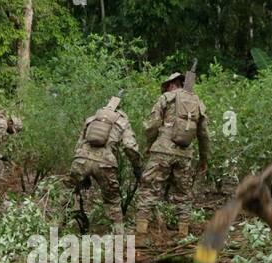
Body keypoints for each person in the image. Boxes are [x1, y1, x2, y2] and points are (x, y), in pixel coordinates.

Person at [135, 72, 209, 236]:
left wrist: (149, 145)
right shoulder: (198, 102)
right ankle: (183, 234)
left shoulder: (166, 98)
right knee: (183, 194)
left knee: (149, 190)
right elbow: (204, 134)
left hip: (162, 150)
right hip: (185, 155)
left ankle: (141, 235)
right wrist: (204, 159)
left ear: (170, 84)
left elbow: (152, 125)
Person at [68, 96, 141, 231]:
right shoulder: (122, 122)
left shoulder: (92, 119)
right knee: (113, 201)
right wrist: (137, 167)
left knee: (68, 192)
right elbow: (130, 147)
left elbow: (79, 145)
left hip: (81, 159)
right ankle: (118, 236)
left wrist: (83, 172)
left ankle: (59, 227)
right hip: (105, 163)